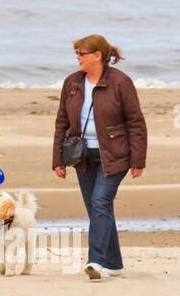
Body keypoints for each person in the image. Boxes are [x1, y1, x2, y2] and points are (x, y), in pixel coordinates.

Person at [52, 35, 147, 280]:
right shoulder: (72, 82)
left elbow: (136, 122)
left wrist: (138, 160)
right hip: (81, 156)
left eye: (81, 53)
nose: (77, 58)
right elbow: (62, 121)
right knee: (97, 209)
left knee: (100, 203)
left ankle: (95, 261)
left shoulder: (120, 82)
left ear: (98, 55)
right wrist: (58, 159)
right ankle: (115, 264)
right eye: (77, 53)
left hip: (114, 155)